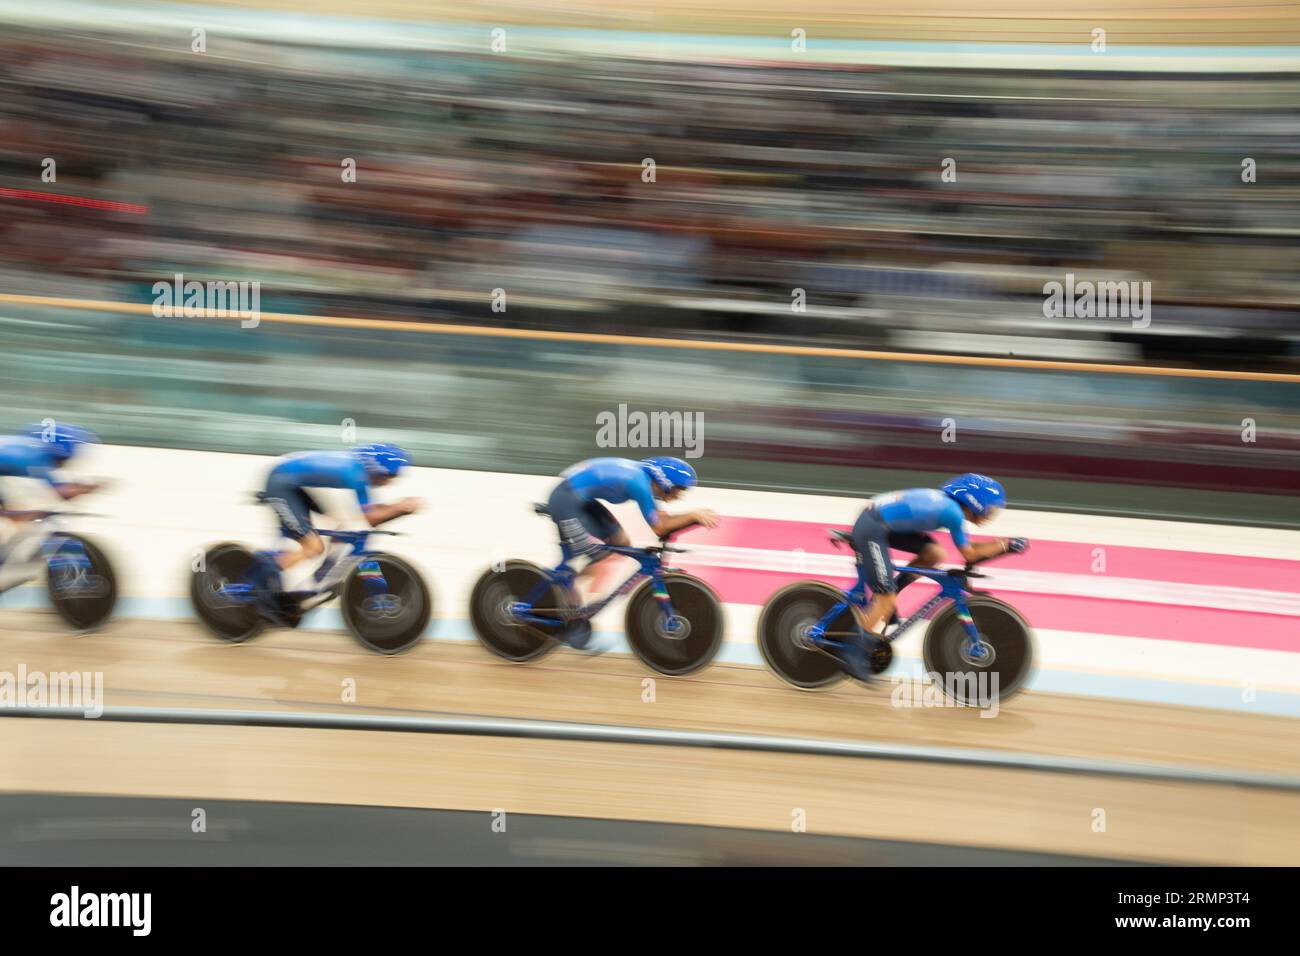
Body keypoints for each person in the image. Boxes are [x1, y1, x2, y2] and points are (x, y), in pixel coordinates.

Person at [839, 472, 1027, 680]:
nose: (991, 514)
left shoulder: (951, 507)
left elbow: (970, 556)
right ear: (975, 501)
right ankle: (852, 653)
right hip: (872, 528)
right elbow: (970, 553)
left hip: (881, 521)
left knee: (935, 554)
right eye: (991, 508)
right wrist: (1006, 545)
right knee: (886, 602)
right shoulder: (952, 512)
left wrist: (1001, 548)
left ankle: (890, 590)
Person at [544, 455, 718, 648]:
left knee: (621, 542)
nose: (680, 495)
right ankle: (571, 612)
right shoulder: (639, 483)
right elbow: (660, 527)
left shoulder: (643, 480)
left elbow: (662, 519)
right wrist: (693, 515)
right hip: (566, 500)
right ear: (665, 481)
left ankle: (572, 593)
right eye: (680, 489)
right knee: (598, 557)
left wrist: (691, 518)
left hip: (579, 499)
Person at [248, 443, 421, 621]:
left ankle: (314, 582)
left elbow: (370, 511)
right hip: (281, 484)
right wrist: (401, 508)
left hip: (292, 482)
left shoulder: (358, 469)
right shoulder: (356, 474)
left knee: (340, 528)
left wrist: (396, 508)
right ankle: (261, 582)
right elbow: (371, 517)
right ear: (377, 469)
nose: (389, 482)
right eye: (389, 476)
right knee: (313, 547)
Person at [0, 423, 103, 586]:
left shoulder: (22, 448)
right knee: (20, 516)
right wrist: (91, 488)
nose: (66, 464)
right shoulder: (35, 455)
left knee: (17, 515)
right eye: (67, 459)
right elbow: (61, 492)